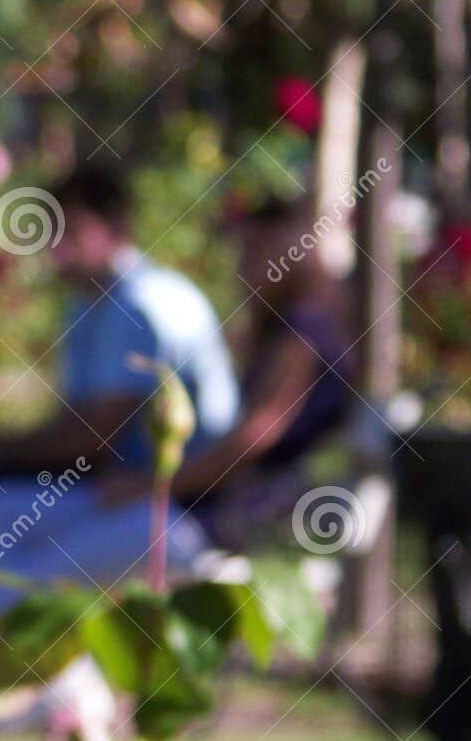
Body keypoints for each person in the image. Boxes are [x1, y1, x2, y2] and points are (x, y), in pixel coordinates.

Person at [0, 164, 240, 722]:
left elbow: (92, 435)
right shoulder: (90, 302)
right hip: (118, 491)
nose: (53, 248)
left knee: (9, 574)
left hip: (171, 507)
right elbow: (74, 426)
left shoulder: (143, 302)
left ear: (113, 228)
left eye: (68, 232)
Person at [103, 193, 353, 546]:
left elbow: (253, 436)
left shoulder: (301, 331)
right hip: (258, 500)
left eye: (255, 251)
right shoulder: (293, 324)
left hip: (264, 511)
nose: (244, 267)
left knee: (94, 539)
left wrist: (152, 487)